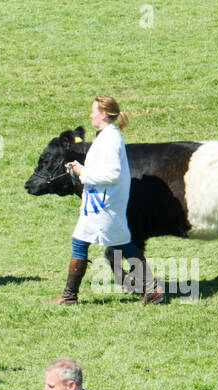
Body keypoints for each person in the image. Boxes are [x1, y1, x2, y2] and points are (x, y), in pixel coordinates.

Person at [52, 96, 162, 305]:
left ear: (103, 114)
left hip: (104, 203)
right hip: (100, 201)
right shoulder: (106, 136)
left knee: (82, 242)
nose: (90, 115)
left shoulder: (111, 139)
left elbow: (112, 174)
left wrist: (82, 172)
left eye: (93, 111)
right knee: (119, 243)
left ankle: (69, 296)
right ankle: (153, 289)